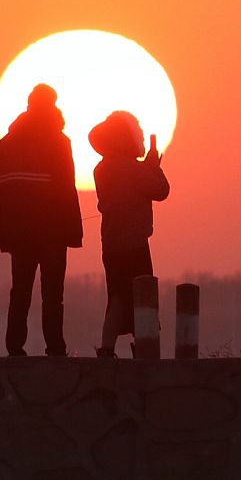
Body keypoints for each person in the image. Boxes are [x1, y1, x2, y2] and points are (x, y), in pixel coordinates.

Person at [0, 83, 82, 356]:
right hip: (52, 232)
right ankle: (55, 346)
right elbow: (67, 189)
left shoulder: (7, 143)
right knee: (53, 293)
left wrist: (2, 233)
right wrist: (73, 232)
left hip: (18, 233)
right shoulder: (59, 141)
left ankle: (14, 346)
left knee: (20, 291)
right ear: (52, 105)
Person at [89, 110, 170, 358]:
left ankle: (107, 348)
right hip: (135, 244)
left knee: (117, 297)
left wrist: (144, 168)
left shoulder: (102, 168)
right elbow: (161, 190)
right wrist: (154, 168)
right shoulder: (133, 170)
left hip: (111, 245)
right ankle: (145, 349)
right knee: (142, 297)